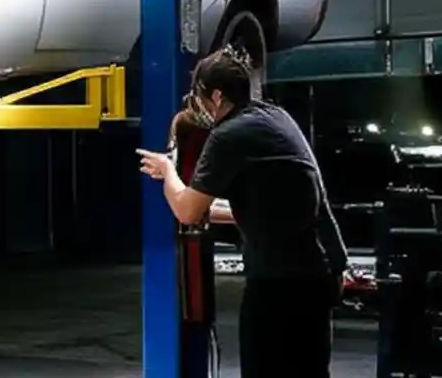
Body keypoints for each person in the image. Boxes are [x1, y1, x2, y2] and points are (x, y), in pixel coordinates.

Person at [137, 45, 348, 378]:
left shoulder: (227, 136)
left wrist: (168, 172)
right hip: (319, 274)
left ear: (217, 95)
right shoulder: (276, 118)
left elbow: (187, 211)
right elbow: (274, 207)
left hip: (279, 281)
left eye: (200, 94)